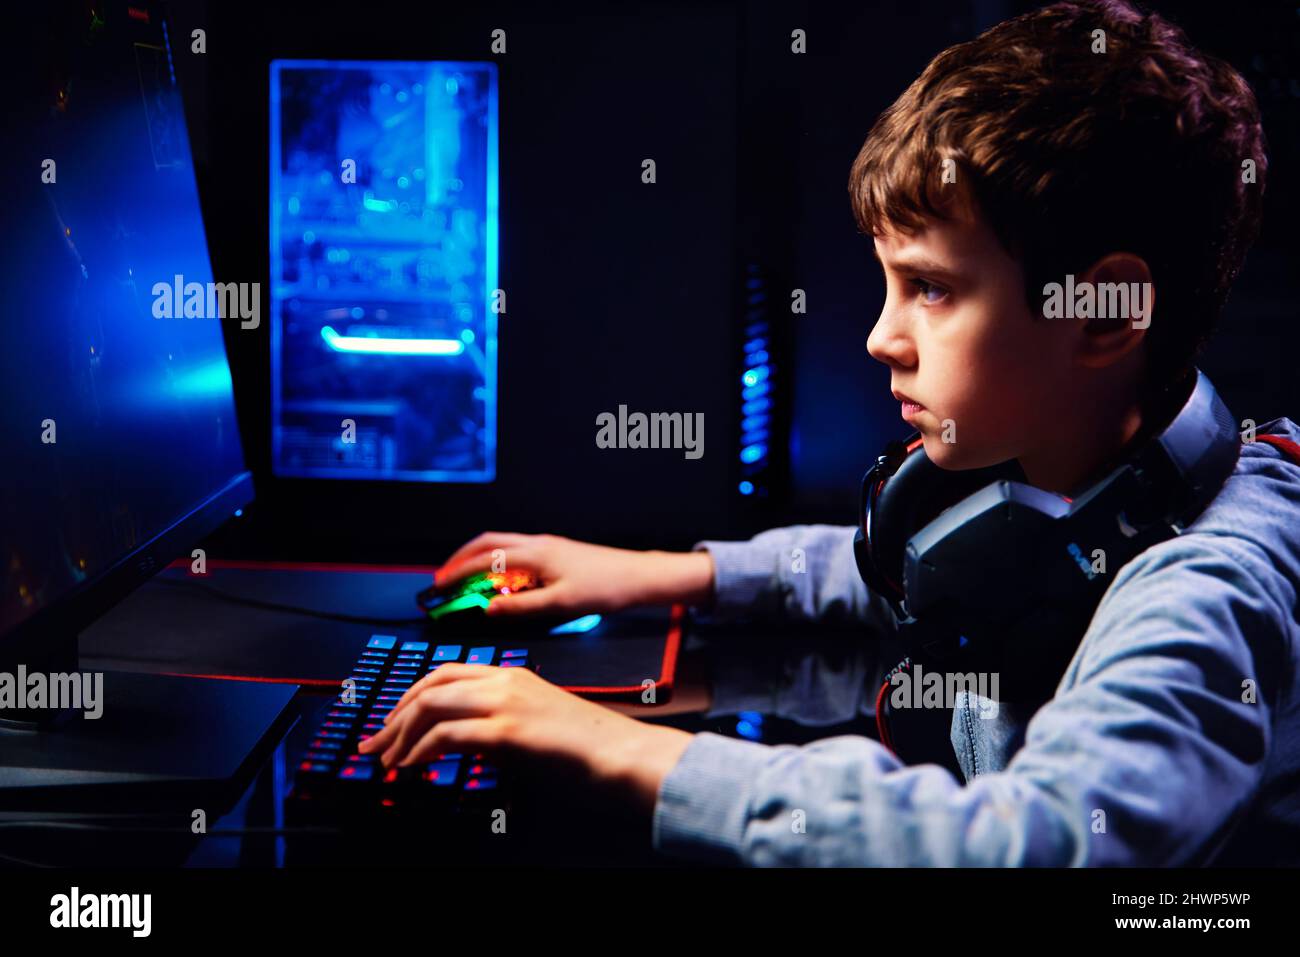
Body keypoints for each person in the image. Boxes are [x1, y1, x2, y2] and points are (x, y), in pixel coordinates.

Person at [361, 0, 1300, 865]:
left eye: (931, 288)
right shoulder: (1092, 478)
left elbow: (1040, 844)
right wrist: (666, 575)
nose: (880, 337)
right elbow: (941, 575)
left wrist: (606, 742)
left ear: (1102, 312)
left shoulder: (1214, 586)